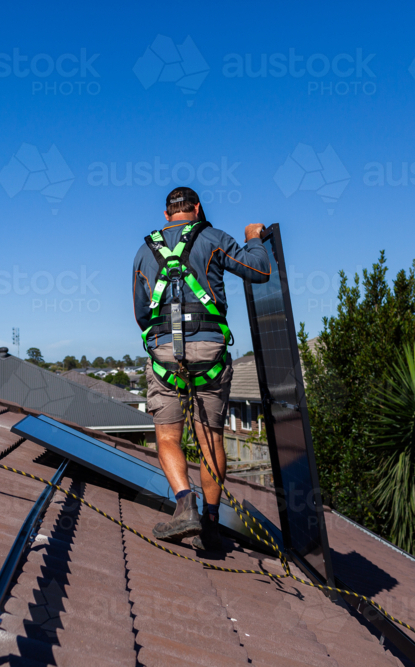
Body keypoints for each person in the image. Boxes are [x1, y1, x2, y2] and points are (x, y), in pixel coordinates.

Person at [132, 186, 270, 552]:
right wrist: (254, 239)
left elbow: (142, 315)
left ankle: (184, 503)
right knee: (210, 436)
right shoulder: (212, 237)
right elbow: (259, 270)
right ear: (197, 208)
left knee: (167, 438)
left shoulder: (144, 251)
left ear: (166, 215)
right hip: (210, 352)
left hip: (165, 358)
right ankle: (210, 521)